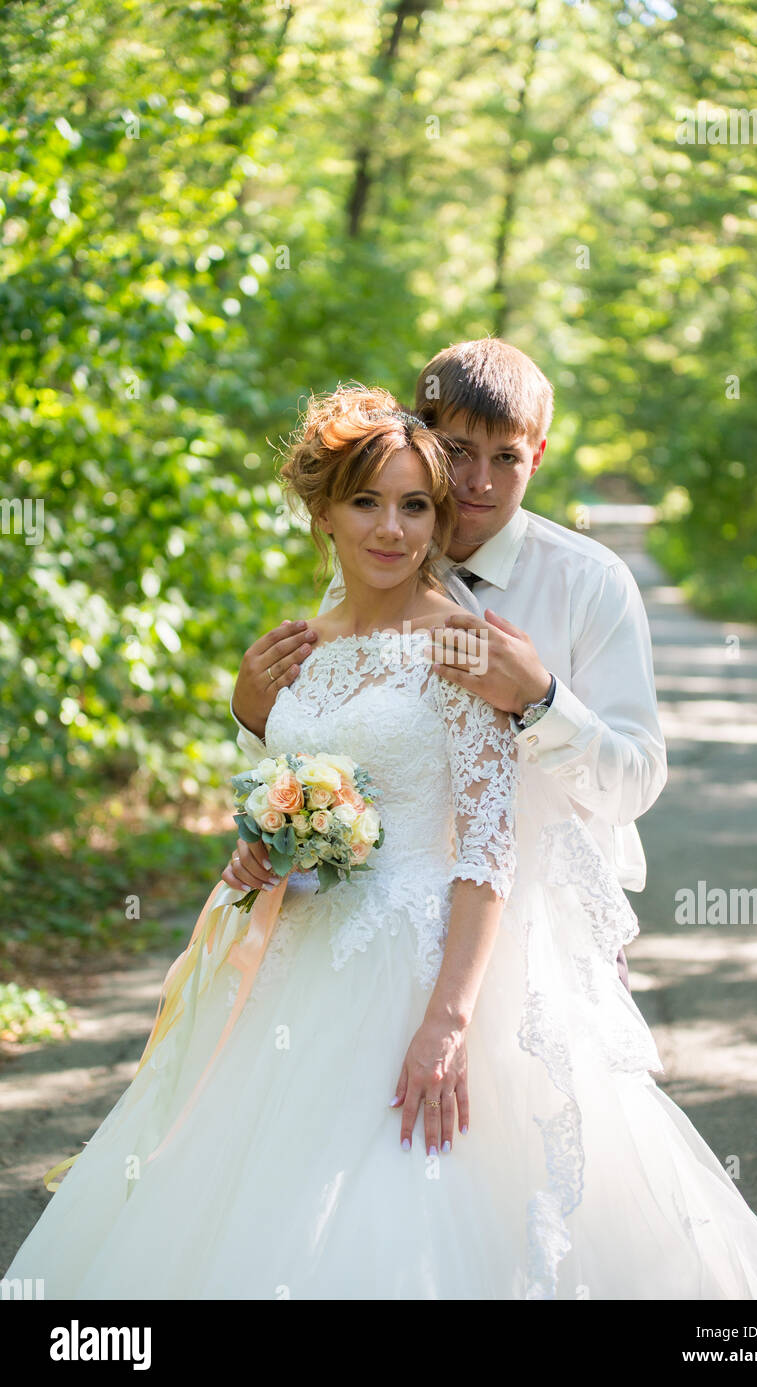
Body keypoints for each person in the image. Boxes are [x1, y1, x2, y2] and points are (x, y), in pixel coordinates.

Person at [4, 384, 757, 1299]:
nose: (393, 528)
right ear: (324, 510)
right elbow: (303, 774)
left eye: (414, 507)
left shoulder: (471, 641)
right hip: (302, 950)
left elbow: (486, 849)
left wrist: (446, 1022)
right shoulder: (306, 636)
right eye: (367, 502)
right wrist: (262, 840)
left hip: (438, 958)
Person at [227, 340, 667, 994]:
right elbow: (346, 739)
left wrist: (538, 699)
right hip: (382, 940)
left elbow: (634, 786)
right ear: (425, 440)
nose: (478, 483)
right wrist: (253, 720)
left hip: (551, 940)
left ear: (537, 456)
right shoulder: (371, 560)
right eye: (459, 452)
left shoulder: (591, 583)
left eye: (507, 458)